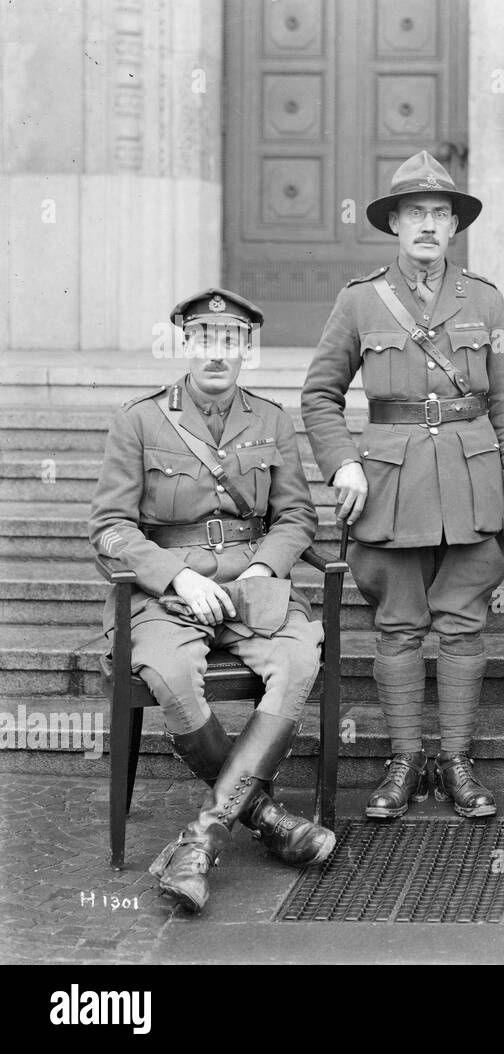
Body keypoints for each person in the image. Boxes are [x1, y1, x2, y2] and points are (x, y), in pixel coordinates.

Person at [301, 151, 504, 821]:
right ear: (395, 224)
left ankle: (457, 761)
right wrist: (342, 462)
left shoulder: (483, 298)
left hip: (471, 482)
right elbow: (319, 395)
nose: (429, 226)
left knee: (462, 627)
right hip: (389, 487)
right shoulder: (360, 300)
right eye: (416, 214)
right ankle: (404, 762)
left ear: (454, 226)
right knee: (398, 625)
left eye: (441, 214)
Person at [89, 288, 333, 914]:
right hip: (169, 594)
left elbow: (297, 516)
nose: (216, 353)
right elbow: (111, 528)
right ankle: (268, 819)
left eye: (229, 341)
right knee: (171, 674)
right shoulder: (138, 420)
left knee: (301, 658)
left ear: (247, 350)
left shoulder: (273, 420)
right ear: (183, 344)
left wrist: (260, 567)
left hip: (251, 585)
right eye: (203, 339)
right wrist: (175, 577)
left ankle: (201, 837)